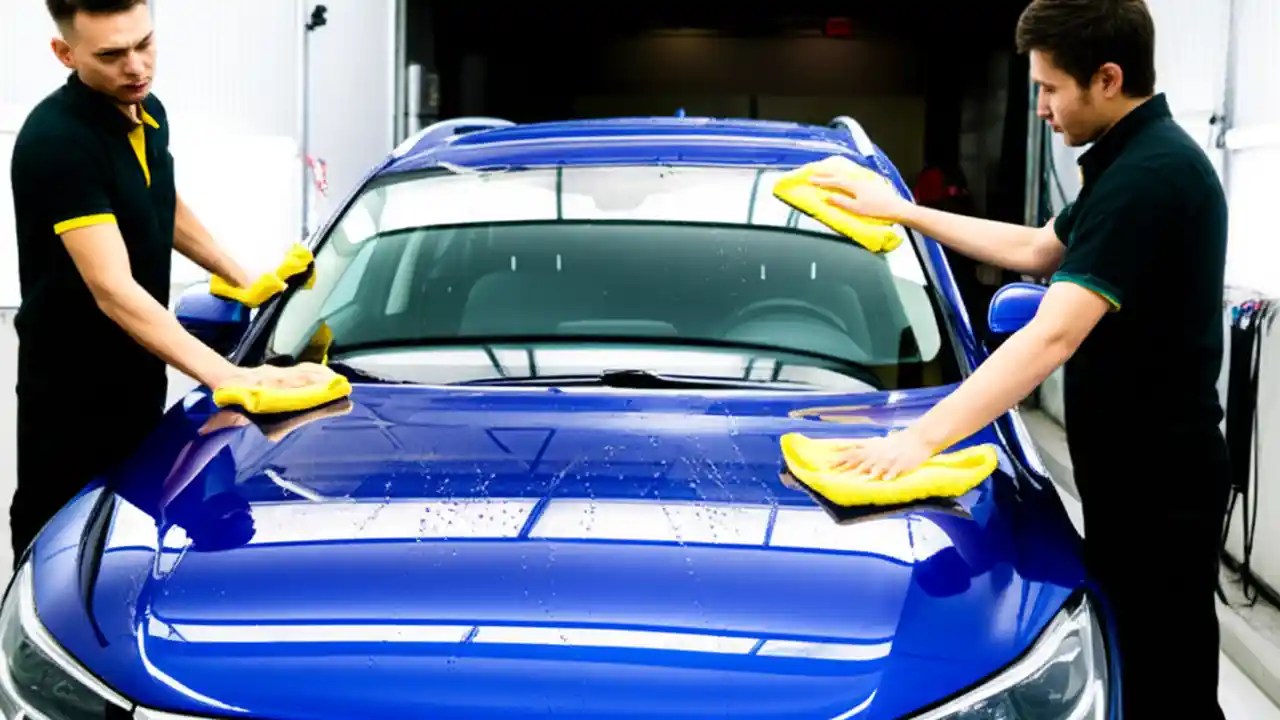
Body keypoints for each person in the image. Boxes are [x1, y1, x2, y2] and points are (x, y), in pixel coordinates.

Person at [812, 0, 1230, 716]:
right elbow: (1039, 249)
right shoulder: (1131, 160)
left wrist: (918, 439)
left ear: (1106, 78)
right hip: (1144, 473)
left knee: (1166, 678)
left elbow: (1052, 335)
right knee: (1150, 660)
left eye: (1048, 88)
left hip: (1160, 483)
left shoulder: (1149, 179)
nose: (1040, 108)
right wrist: (902, 211)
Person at [8, 0, 332, 565]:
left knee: (136, 541)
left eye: (145, 44)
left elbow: (162, 201)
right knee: (67, 555)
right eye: (111, 54)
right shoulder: (57, 141)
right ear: (65, 53)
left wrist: (242, 278)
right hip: (71, 397)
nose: (136, 66)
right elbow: (112, 288)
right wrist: (229, 375)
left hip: (138, 378)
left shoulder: (146, 110)